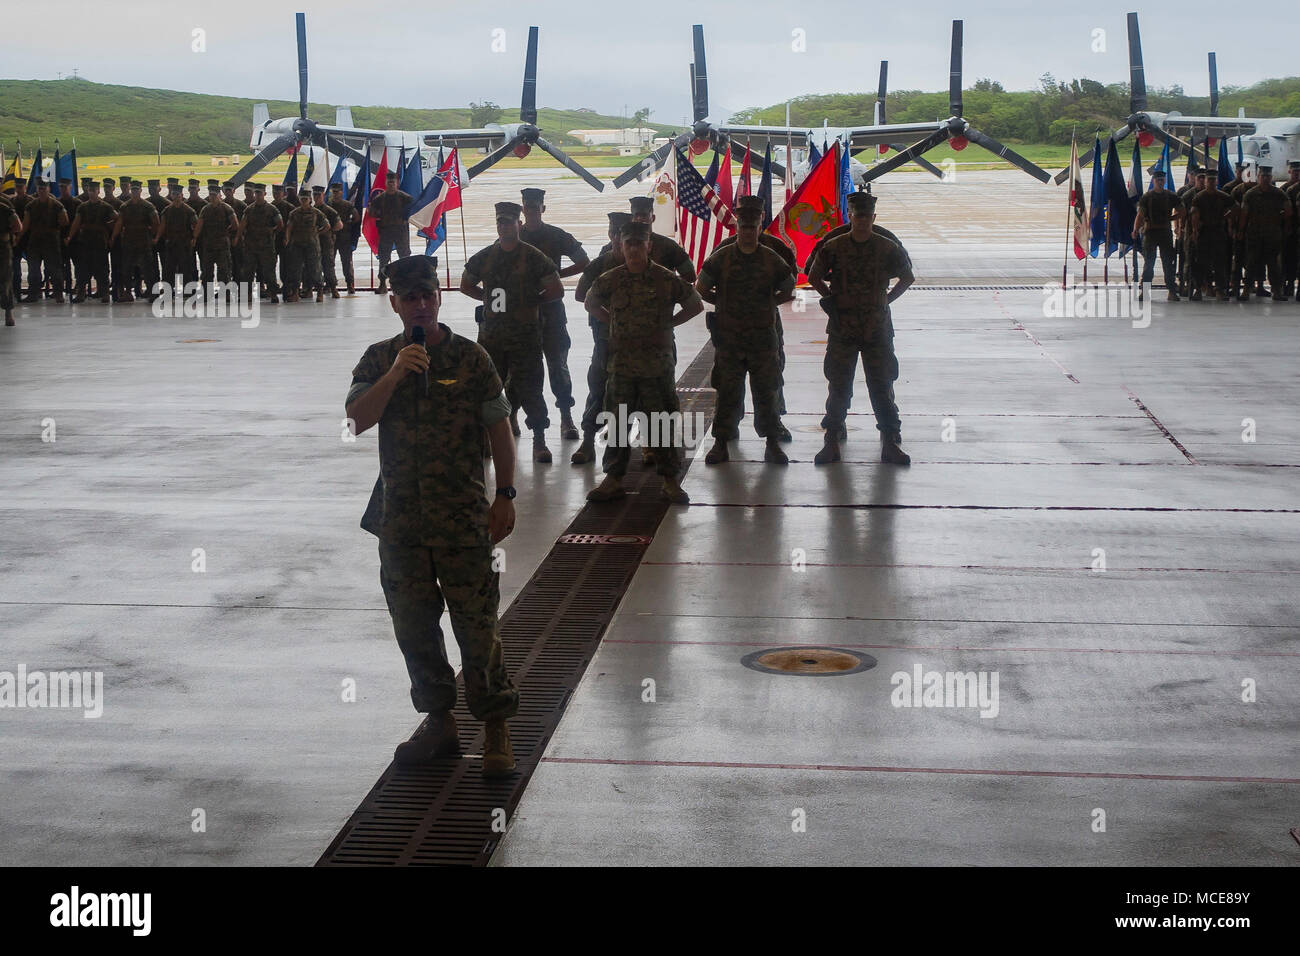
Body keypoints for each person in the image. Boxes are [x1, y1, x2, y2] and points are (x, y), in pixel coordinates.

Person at [345, 254, 519, 775]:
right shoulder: (380, 360)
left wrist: (506, 493)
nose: (420, 305)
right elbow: (356, 420)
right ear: (395, 303)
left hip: (464, 520)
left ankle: (495, 728)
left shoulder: (471, 358)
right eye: (409, 298)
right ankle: (440, 722)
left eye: (428, 296)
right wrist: (397, 373)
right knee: (414, 628)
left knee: (478, 628)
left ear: (439, 298)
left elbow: (499, 429)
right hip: (400, 523)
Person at [583, 220, 703, 504]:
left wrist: (668, 326)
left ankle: (670, 481)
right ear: (621, 246)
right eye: (629, 244)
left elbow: (696, 305)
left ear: (649, 245)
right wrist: (611, 321)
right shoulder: (611, 278)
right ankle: (613, 479)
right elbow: (589, 302)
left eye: (639, 244)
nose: (634, 249)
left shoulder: (665, 278)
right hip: (622, 367)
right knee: (617, 422)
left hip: (655, 368)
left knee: (661, 425)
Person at [807, 191, 913, 466]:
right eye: (857, 215)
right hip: (844, 327)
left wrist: (886, 301)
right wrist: (830, 298)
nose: (862, 220)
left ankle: (890, 439)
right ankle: (831, 438)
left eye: (867, 216)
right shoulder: (835, 246)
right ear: (850, 216)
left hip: (876, 329)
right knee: (839, 384)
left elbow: (907, 277)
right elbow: (813, 275)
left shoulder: (886, 246)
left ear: (873, 217)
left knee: (882, 384)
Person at [460, 201, 564, 463]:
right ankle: (485, 440)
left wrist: (530, 301)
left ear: (519, 223)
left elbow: (556, 289)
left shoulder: (533, 256)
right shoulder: (485, 257)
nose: (503, 226)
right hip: (492, 338)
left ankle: (539, 439)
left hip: (525, 337)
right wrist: (487, 300)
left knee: (531, 388)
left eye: (508, 221)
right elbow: (465, 284)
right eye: (499, 221)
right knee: (489, 389)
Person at [696, 198, 796, 465]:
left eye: (752, 227)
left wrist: (768, 303)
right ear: (738, 226)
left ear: (759, 225)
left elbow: (789, 287)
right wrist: (723, 303)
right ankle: (721, 442)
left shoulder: (770, 257)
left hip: (763, 338)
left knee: (767, 391)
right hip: (730, 338)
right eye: (743, 226)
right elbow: (701, 287)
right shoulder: (723, 256)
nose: (748, 231)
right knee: (728, 391)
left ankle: (772, 442)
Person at [518, 187, 589, 440]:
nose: (532, 211)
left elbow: (583, 260)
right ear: (523, 209)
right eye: (528, 206)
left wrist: (558, 277)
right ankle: (522, 420)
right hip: (523, 314)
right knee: (525, 370)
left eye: (536, 207)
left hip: (551, 311)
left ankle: (566, 418)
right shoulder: (514, 237)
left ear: (543, 209)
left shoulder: (556, 236)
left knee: (558, 366)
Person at [571, 211, 630, 464]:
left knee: (644, 394)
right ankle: (588, 440)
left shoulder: (643, 264)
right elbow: (580, 295)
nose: (617, 239)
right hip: (605, 341)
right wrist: (609, 316)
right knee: (598, 388)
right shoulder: (600, 264)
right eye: (614, 233)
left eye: (622, 234)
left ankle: (650, 443)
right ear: (610, 235)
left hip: (638, 344)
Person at [1239, 165, 1291, 301]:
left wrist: (1284, 227)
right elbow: (1244, 214)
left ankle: (1277, 291)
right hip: (1254, 235)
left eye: (1268, 176)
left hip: (1272, 235)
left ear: (1271, 178)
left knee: (1274, 265)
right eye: (1263, 176)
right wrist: (1241, 231)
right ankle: (1246, 290)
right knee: (1251, 263)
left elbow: (1288, 211)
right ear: (1258, 177)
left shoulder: (1278, 193)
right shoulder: (1250, 194)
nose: (1265, 179)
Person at [1133, 168, 1180, 301]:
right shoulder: (1147, 197)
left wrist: (1171, 219)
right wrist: (1135, 229)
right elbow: (1140, 215)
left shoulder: (1171, 196)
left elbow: (1182, 211)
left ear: (1164, 181)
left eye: (1162, 180)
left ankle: (1171, 291)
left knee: (1168, 263)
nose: (1160, 182)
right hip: (1150, 233)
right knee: (1149, 264)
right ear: (1153, 181)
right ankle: (1145, 291)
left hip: (1165, 232)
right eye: (1158, 180)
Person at [1188, 169, 1235, 302]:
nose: (1211, 182)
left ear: (1217, 181)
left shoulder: (1222, 196)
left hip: (1218, 232)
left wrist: (1226, 218)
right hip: (1204, 233)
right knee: (1201, 262)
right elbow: (1194, 215)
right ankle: (1198, 289)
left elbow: (1235, 208)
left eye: (1213, 180)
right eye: (1209, 180)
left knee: (1220, 263)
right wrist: (1195, 231)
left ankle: (1220, 289)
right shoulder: (1199, 197)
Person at [19, 179, 69, 303]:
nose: (41, 191)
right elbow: (25, 224)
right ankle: (34, 293)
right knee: (33, 269)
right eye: (39, 188)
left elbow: (65, 221)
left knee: (55, 269)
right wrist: (18, 237)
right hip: (35, 241)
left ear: (48, 189)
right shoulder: (31, 205)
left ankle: (58, 293)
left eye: (43, 188)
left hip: (51, 241)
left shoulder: (57, 205)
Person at [67, 180, 116, 303]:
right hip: (85, 242)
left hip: (100, 242)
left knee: (102, 270)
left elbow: (117, 219)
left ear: (98, 191)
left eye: (93, 191)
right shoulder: (83, 207)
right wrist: (70, 236)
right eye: (89, 190)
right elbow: (76, 223)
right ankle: (81, 293)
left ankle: (104, 293)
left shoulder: (105, 206)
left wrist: (110, 233)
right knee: (82, 269)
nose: (91, 193)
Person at [112, 181, 161, 302]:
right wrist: (113, 237)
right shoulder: (125, 207)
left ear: (140, 191)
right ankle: (128, 292)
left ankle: (151, 292)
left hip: (144, 242)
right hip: (129, 242)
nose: (134, 192)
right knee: (126, 269)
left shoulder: (148, 206)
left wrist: (154, 237)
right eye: (133, 190)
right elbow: (119, 223)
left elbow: (156, 222)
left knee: (148, 269)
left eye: (136, 190)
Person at [236, 182, 283, 302]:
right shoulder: (249, 209)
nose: (257, 195)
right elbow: (242, 225)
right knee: (248, 272)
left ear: (264, 194)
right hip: (251, 247)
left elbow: (280, 224)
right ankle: (247, 295)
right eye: (256, 193)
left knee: (269, 272)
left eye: (260, 193)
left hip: (266, 247)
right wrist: (238, 237)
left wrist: (272, 232)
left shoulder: (271, 209)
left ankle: (272, 293)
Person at [283, 189, 329, 302]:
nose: (303, 201)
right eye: (302, 199)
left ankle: (319, 292)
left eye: (306, 199)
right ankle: (295, 293)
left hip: (312, 246)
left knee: (315, 270)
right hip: (297, 245)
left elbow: (327, 226)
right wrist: (287, 238)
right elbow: (289, 227)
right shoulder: (294, 213)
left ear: (310, 200)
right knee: (296, 270)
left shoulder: (316, 213)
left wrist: (317, 233)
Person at [371, 172, 414, 293]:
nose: (391, 185)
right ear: (385, 183)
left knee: (404, 258)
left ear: (397, 183)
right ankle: (382, 284)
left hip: (401, 232)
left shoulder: (405, 198)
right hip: (386, 232)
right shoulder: (379, 199)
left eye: (393, 183)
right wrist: (372, 210)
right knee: (383, 259)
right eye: (389, 183)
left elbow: (413, 211)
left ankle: (406, 283)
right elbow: (372, 213)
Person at [193, 183, 238, 285]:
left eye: (214, 195)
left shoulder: (227, 208)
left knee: (224, 271)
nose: (212, 198)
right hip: (209, 245)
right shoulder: (206, 209)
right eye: (210, 195)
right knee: (207, 271)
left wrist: (226, 232)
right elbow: (199, 225)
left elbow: (235, 224)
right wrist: (195, 237)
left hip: (222, 245)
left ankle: (225, 293)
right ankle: (207, 294)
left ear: (219, 195)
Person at [328, 181, 359, 294]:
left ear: (341, 192)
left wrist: (348, 223)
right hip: (331, 238)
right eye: (333, 192)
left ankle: (350, 284)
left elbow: (356, 217)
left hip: (344, 238)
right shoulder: (328, 205)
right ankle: (331, 284)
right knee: (330, 262)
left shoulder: (347, 205)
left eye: (337, 192)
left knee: (346, 262)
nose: (335, 194)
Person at [312, 186, 343, 298]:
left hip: (326, 243)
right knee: (316, 267)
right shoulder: (311, 211)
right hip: (314, 244)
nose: (316, 197)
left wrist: (328, 232)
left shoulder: (329, 210)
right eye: (314, 195)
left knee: (328, 266)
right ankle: (319, 289)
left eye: (318, 195)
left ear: (323, 195)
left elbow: (339, 225)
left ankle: (333, 288)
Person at [1, 198, 19, 325]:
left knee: (5, 280)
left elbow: (18, 226)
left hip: (2, 248)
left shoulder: (4, 206)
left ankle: (8, 311)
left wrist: (7, 234)